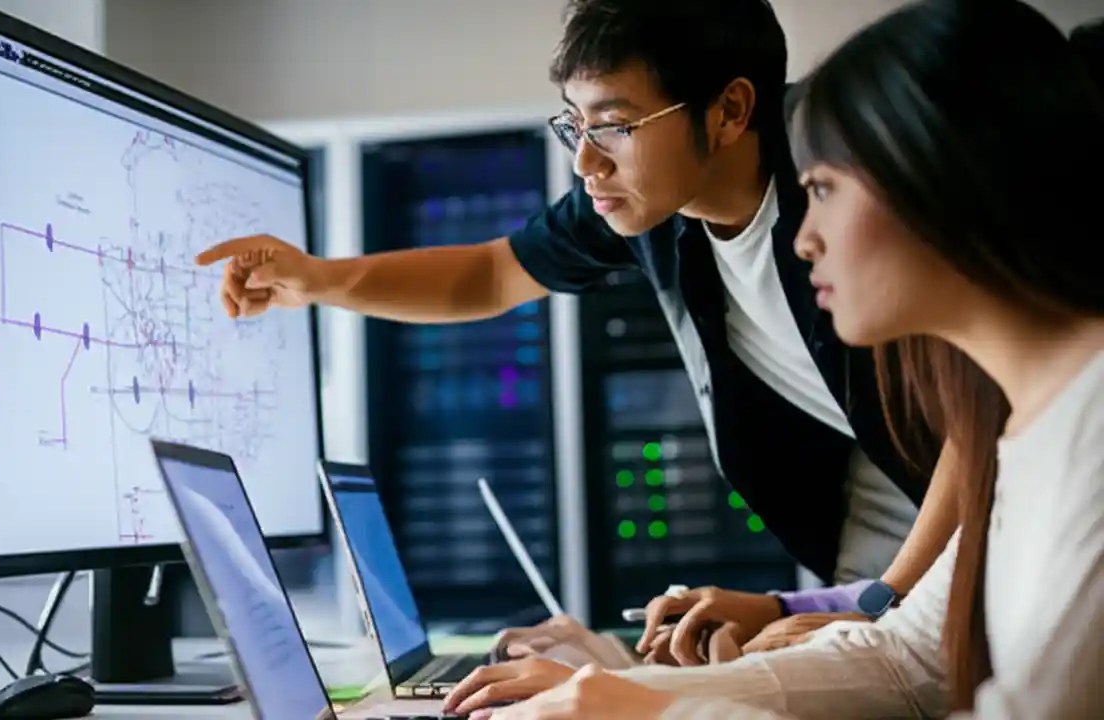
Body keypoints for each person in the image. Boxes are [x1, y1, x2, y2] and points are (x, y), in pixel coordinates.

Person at [197, 0, 960, 658]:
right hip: (882, 571)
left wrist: (871, 604)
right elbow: (493, 274)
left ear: (729, 111)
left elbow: (981, 415)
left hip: (970, 547)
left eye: (617, 126)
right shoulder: (653, 212)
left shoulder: (850, 174)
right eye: (574, 127)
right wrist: (319, 279)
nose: (586, 163)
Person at [459, 0, 1104, 717]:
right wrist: (612, 686)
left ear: (947, 193)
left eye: (822, 190)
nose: (802, 239)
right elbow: (910, 656)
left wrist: (651, 710)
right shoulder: (1022, 435)